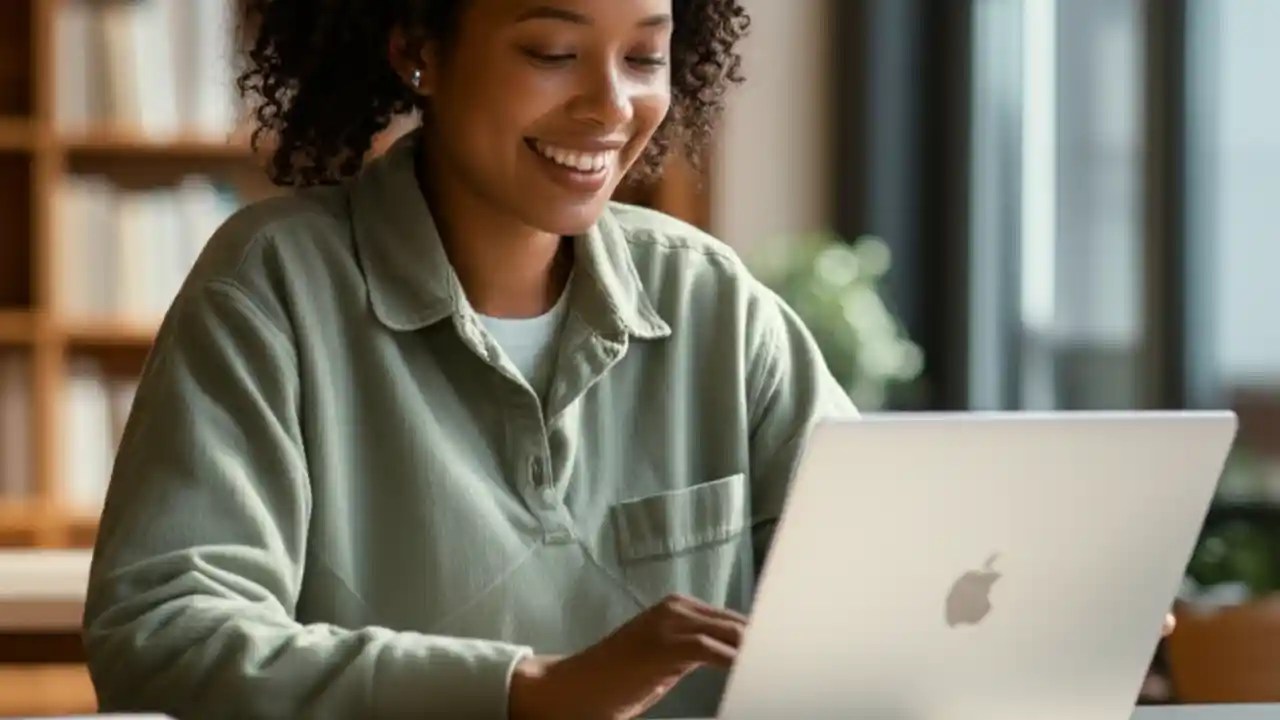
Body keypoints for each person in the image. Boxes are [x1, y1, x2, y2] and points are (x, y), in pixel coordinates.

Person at [80, 1, 1175, 718]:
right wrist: (525, 691)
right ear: (419, 45)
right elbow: (163, 631)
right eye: (552, 54)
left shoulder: (710, 302)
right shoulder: (273, 287)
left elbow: (885, 597)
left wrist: (1035, 644)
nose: (610, 106)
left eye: (644, 56)